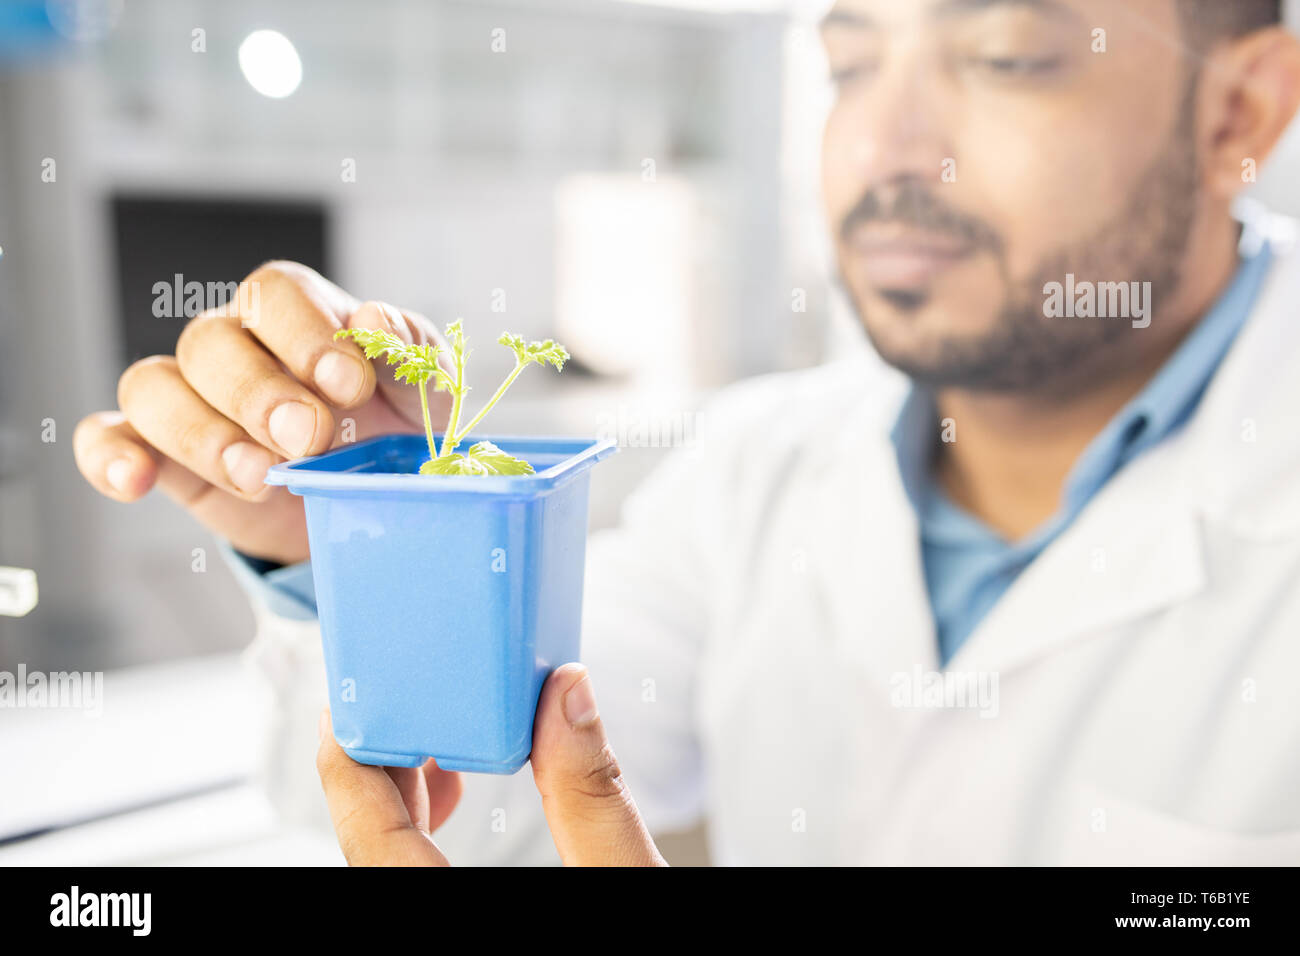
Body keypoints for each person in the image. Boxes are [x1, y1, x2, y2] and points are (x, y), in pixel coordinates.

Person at [75, 0, 1300, 865]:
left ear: (1235, 108)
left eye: (1005, 57)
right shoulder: (758, 469)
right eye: (849, 64)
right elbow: (467, 816)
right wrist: (353, 548)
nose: (878, 149)